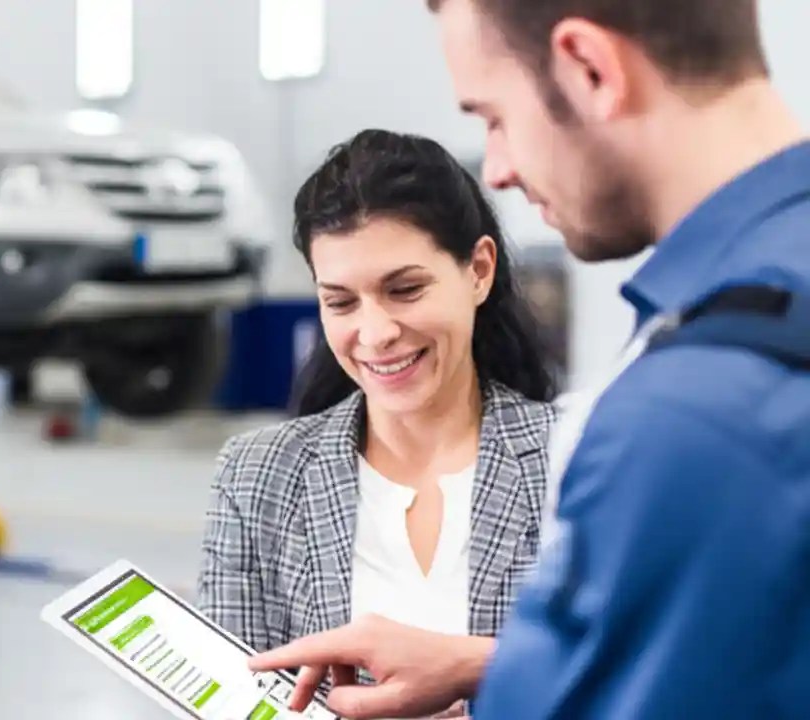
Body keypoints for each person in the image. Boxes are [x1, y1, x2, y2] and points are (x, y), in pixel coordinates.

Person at [246, 0, 810, 718]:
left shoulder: (690, 411)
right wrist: (477, 665)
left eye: (495, 117)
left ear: (590, 68)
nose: (501, 168)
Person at [196, 129, 559, 713]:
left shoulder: (571, 458)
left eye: (405, 289)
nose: (376, 332)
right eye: (341, 302)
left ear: (479, 270)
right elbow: (232, 703)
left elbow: (640, 678)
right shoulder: (257, 475)